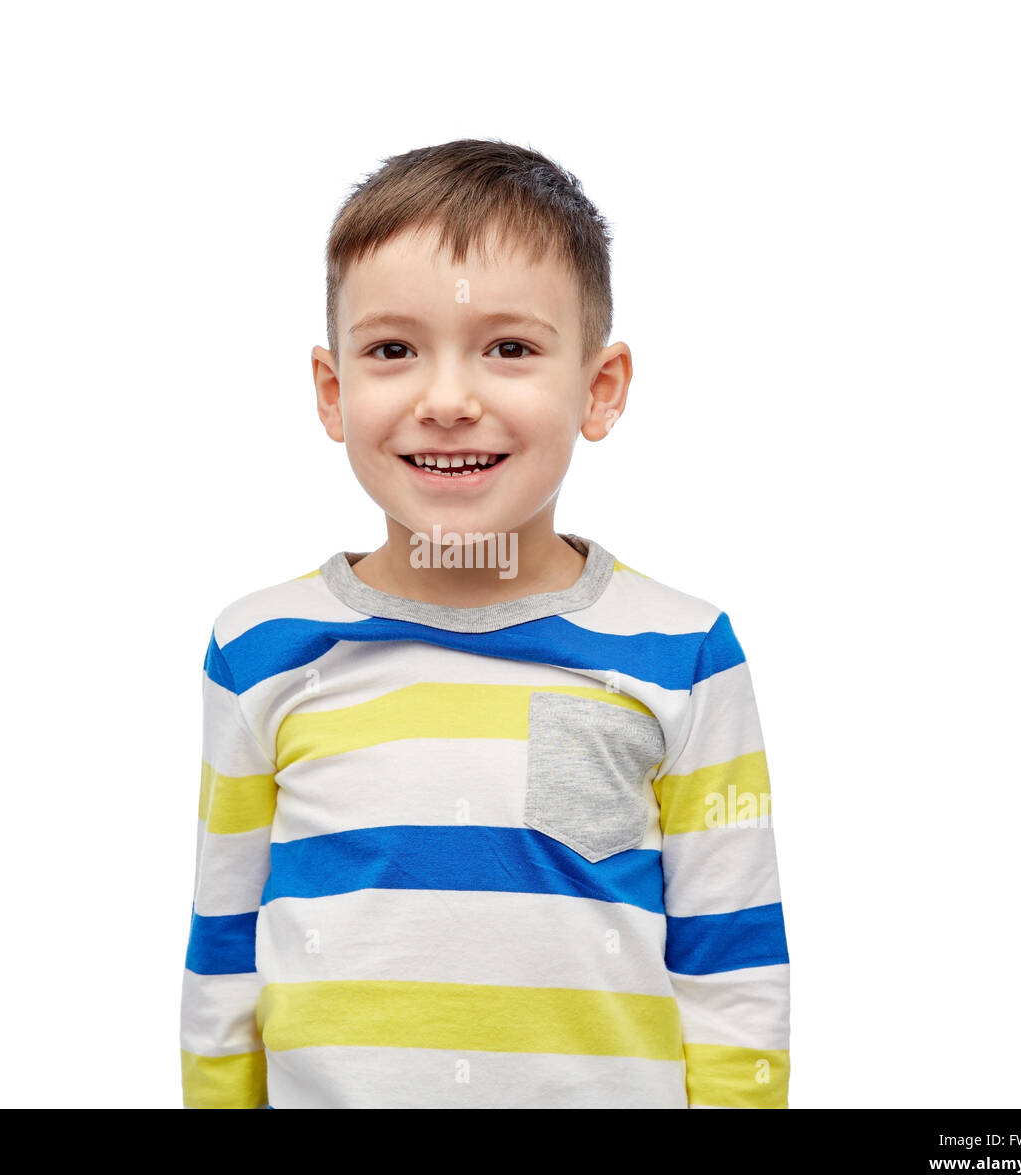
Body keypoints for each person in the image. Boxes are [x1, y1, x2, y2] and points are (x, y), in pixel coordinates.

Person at [179, 138, 790, 1109]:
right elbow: (222, 951)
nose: (449, 400)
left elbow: (733, 968)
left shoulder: (683, 653)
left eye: (508, 348)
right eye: (392, 350)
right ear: (332, 391)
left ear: (599, 387)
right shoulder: (259, 650)